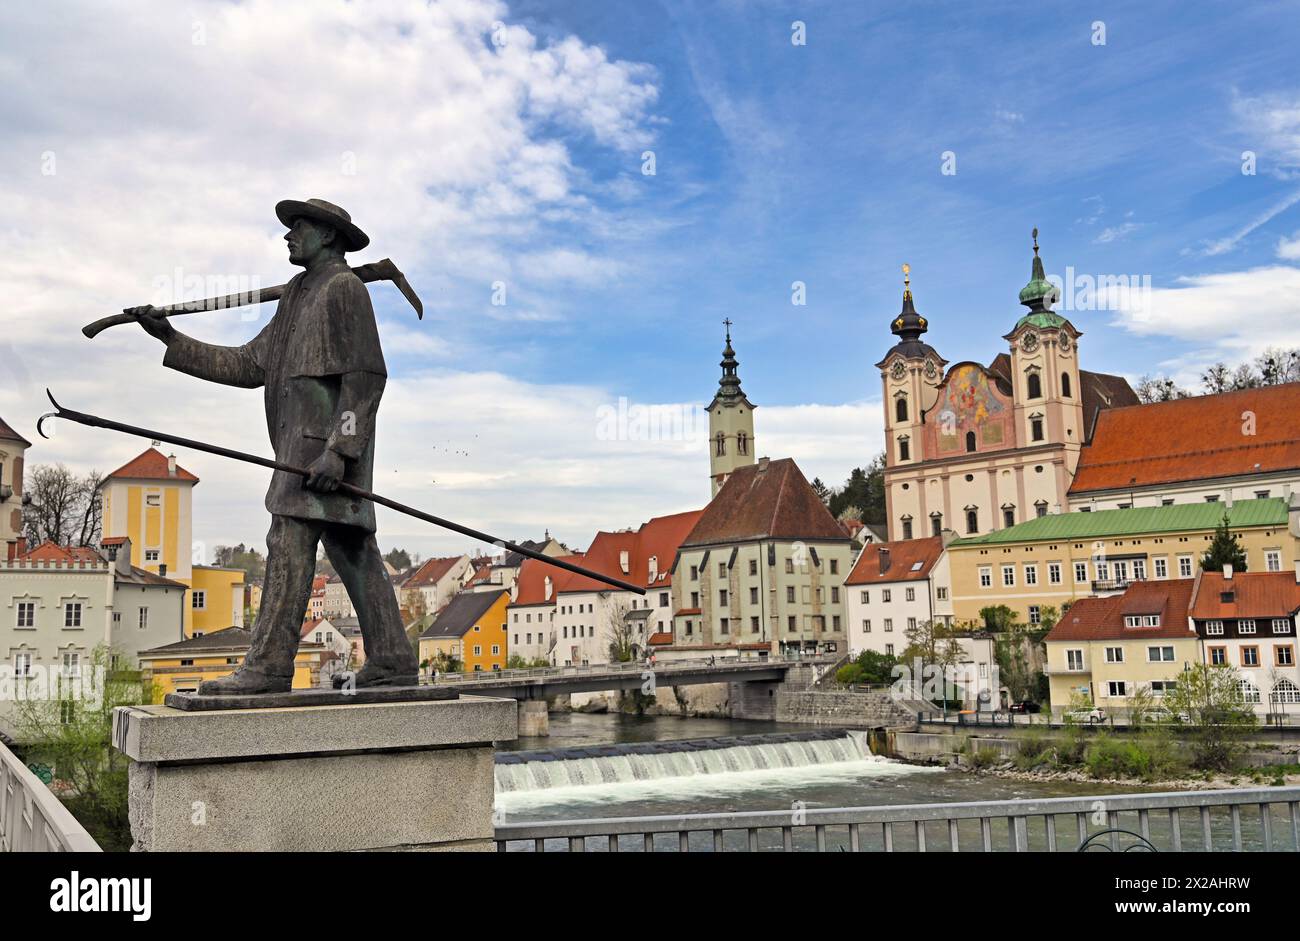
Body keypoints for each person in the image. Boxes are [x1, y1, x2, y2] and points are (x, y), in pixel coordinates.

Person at [129, 198, 419, 694]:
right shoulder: (296, 298)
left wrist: (340, 451)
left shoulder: (344, 289)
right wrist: (170, 338)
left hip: (321, 453)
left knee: (286, 545)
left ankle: (267, 665)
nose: (288, 235)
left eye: (298, 227)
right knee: (351, 550)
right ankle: (391, 657)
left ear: (328, 236)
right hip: (301, 448)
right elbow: (247, 365)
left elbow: (366, 377)